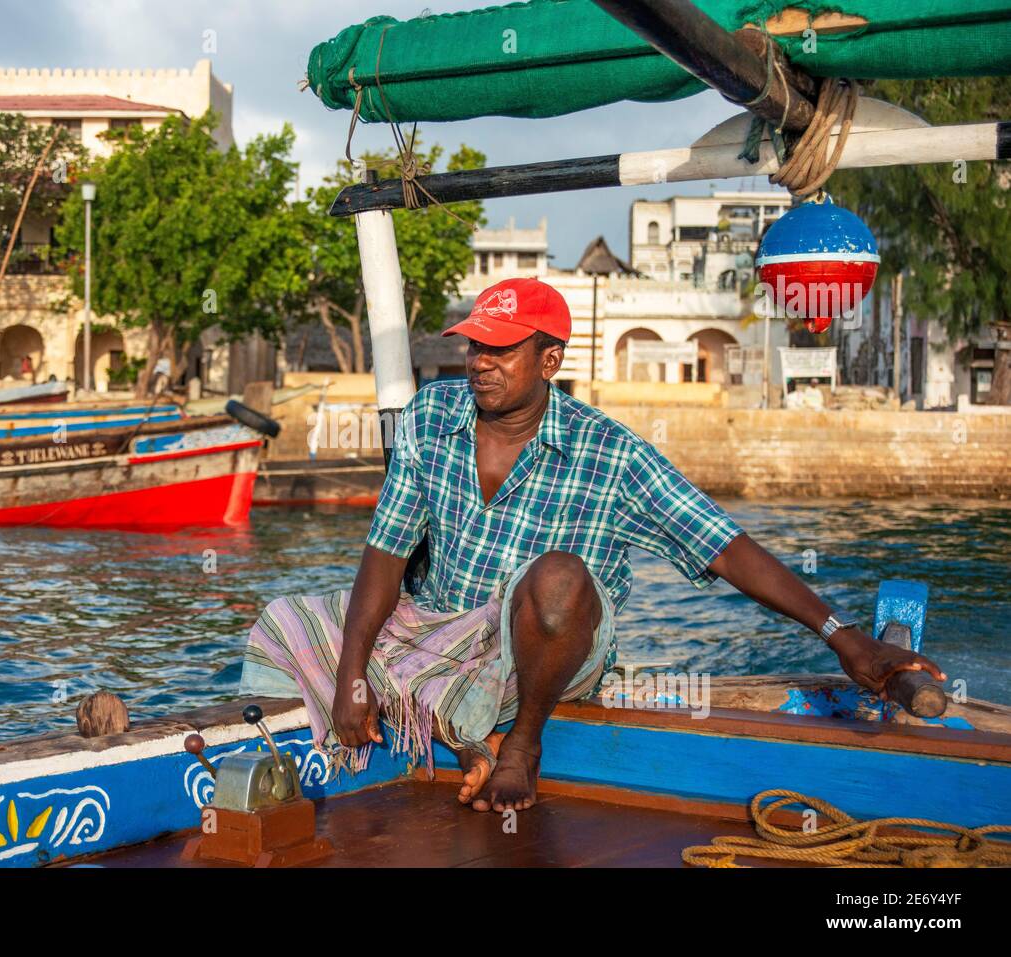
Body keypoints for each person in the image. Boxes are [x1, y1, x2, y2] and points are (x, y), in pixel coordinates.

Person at [239, 277, 944, 814]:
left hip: (547, 648)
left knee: (557, 578)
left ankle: (524, 740)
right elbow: (387, 554)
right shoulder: (430, 416)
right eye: (474, 345)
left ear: (549, 359)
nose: (480, 361)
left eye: (501, 348)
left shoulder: (613, 453)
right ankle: (430, 722)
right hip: (441, 629)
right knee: (285, 622)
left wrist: (842, 635)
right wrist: (353, 676)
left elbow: (725, 547)